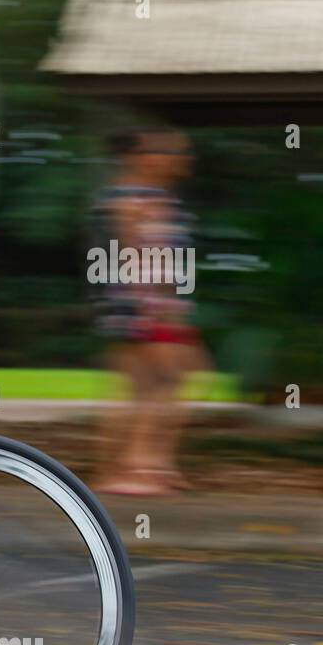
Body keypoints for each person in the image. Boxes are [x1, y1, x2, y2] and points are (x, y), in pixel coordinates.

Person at [92, 128, 209, 496]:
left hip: (150, 308)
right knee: (160, 384)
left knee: (151, 387)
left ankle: (146, 466)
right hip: (145, 310)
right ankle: (135, 468)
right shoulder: (133, 199)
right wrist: (153, 309)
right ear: (144, 155)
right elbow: (136, 255)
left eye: (183, 152)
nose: (181, 159)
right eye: (172, 151)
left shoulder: (151, 197)